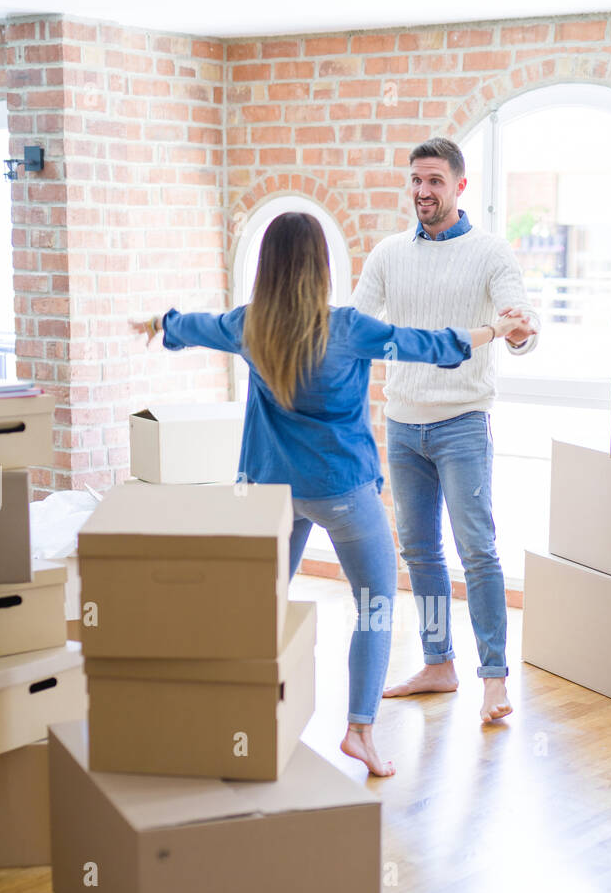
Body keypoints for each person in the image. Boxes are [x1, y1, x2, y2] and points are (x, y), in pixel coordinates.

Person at [131, 211, 530, 777]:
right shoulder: (346, 328)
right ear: (321, 267)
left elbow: (192, 327)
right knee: (374, 601)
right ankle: (360, 732)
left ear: (267, 268)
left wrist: (156, 323)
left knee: (261, 603)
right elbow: (429, 345)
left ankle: (233, 716)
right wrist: (493, 331)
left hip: (270, 490)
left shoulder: (249, 325)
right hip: (342, 491)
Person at [351, 136, 540, 725]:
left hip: (462, 424)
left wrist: (519, 332)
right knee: (421, 553)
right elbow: (356, 327)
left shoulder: (490, 253)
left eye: (434, 181)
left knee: (477, 550)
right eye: (415, 180)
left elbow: (521, 324)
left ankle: (493, 677)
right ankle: (438, 663)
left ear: (460, 186)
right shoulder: (387, 254)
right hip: (403, 424)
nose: (422, 192)